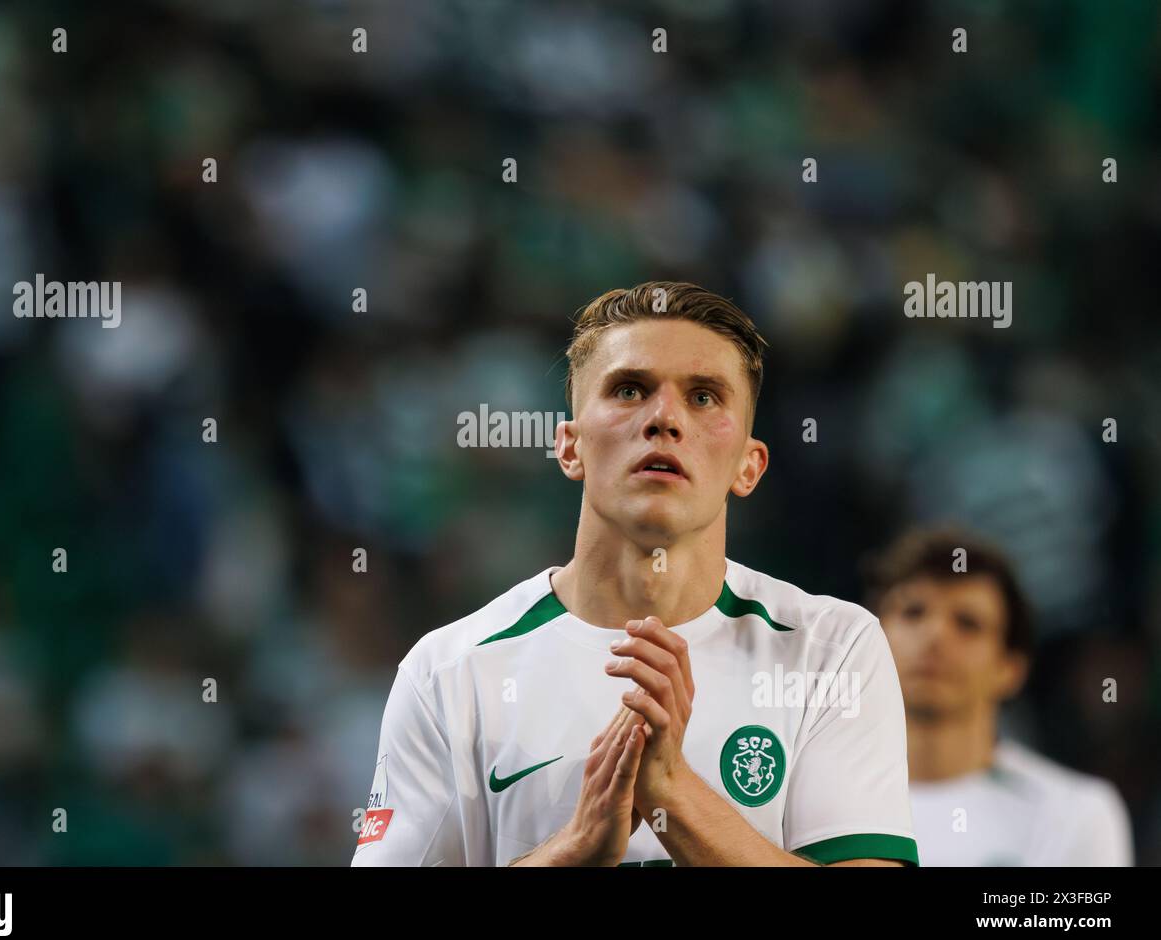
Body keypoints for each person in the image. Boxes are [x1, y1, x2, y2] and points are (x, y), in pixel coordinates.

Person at [352, 282, 918, 866]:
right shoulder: (448, 672)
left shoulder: (831, 651)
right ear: (569, 448)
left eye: (703, 397)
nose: (664, 418)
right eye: (630, 390)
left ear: (749, 467)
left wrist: (672, 791)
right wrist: (573, 850)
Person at [864, 527, 1133, 866]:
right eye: (913, 612)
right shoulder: (814, 798)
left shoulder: (1075, 815)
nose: (935, 635)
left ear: (1011, 668)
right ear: (869, 639)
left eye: (967, 623)